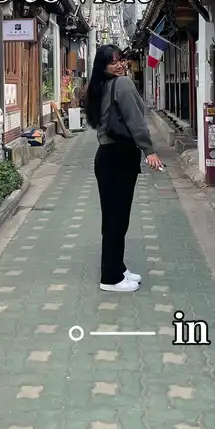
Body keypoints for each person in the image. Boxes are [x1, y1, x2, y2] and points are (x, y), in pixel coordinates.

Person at [83, 44, 164, 292]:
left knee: (114, 218)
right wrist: (149, 150)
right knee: (117, 219)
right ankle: (111, 278)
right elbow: (135, 120)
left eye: (121, 60)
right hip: (119, 156)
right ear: (103, 67)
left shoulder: (100, 87)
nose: (119, 65)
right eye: (112, 62)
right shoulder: (123, 84)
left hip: (107, 157)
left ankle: (117, 267)